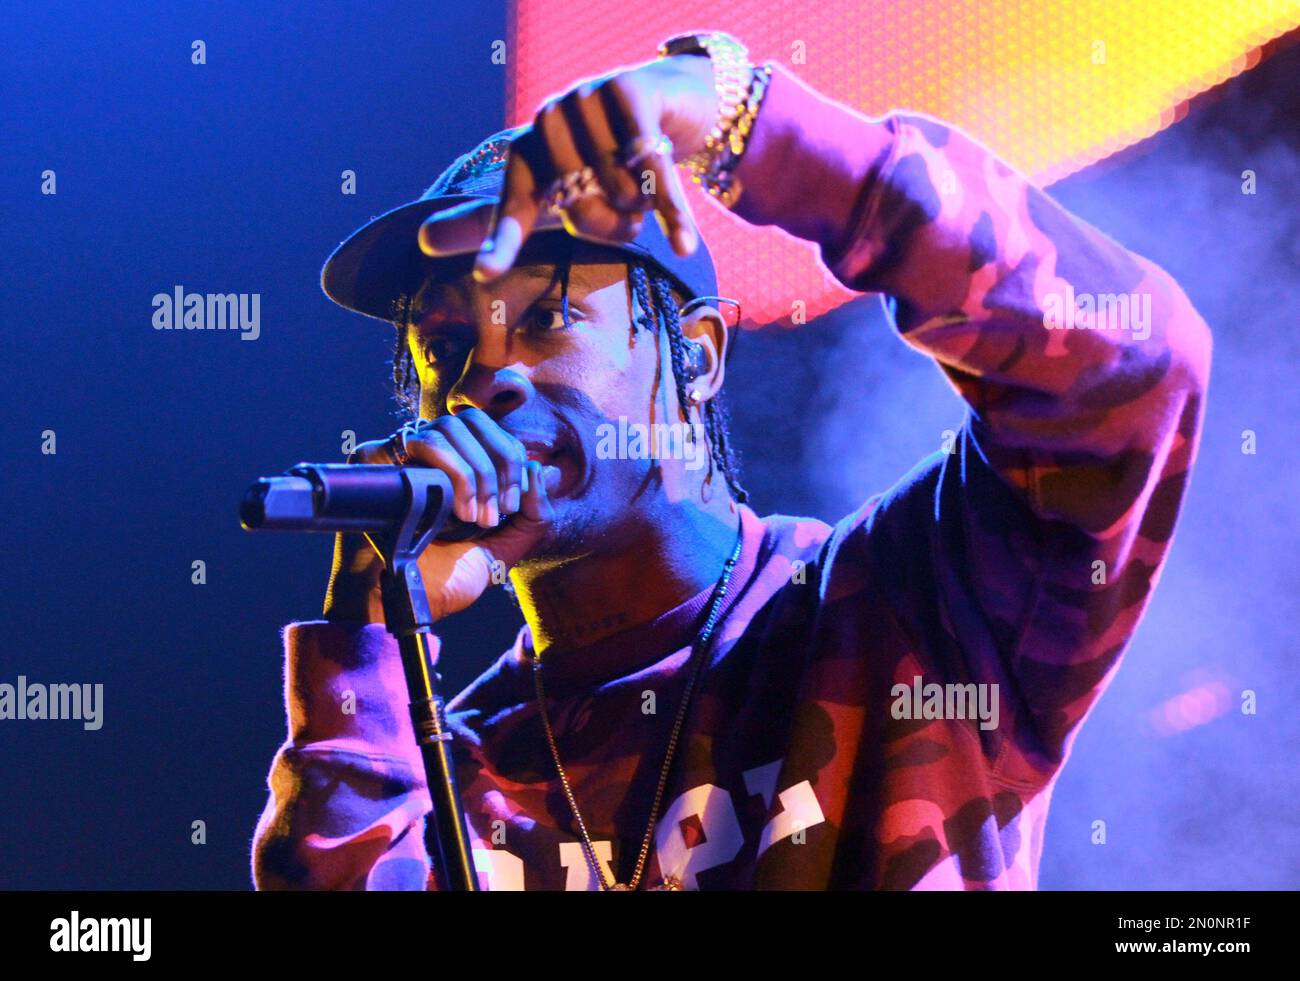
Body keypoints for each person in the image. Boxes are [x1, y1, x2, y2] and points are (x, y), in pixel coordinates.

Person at [250, 31, 1211, 890]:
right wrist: (366, 640)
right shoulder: (449, 776)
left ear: (700, 354)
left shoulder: (908, 611)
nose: (482, 381)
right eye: (445, 352)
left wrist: (754, 125)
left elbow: (1134, 367)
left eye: (544, 317)